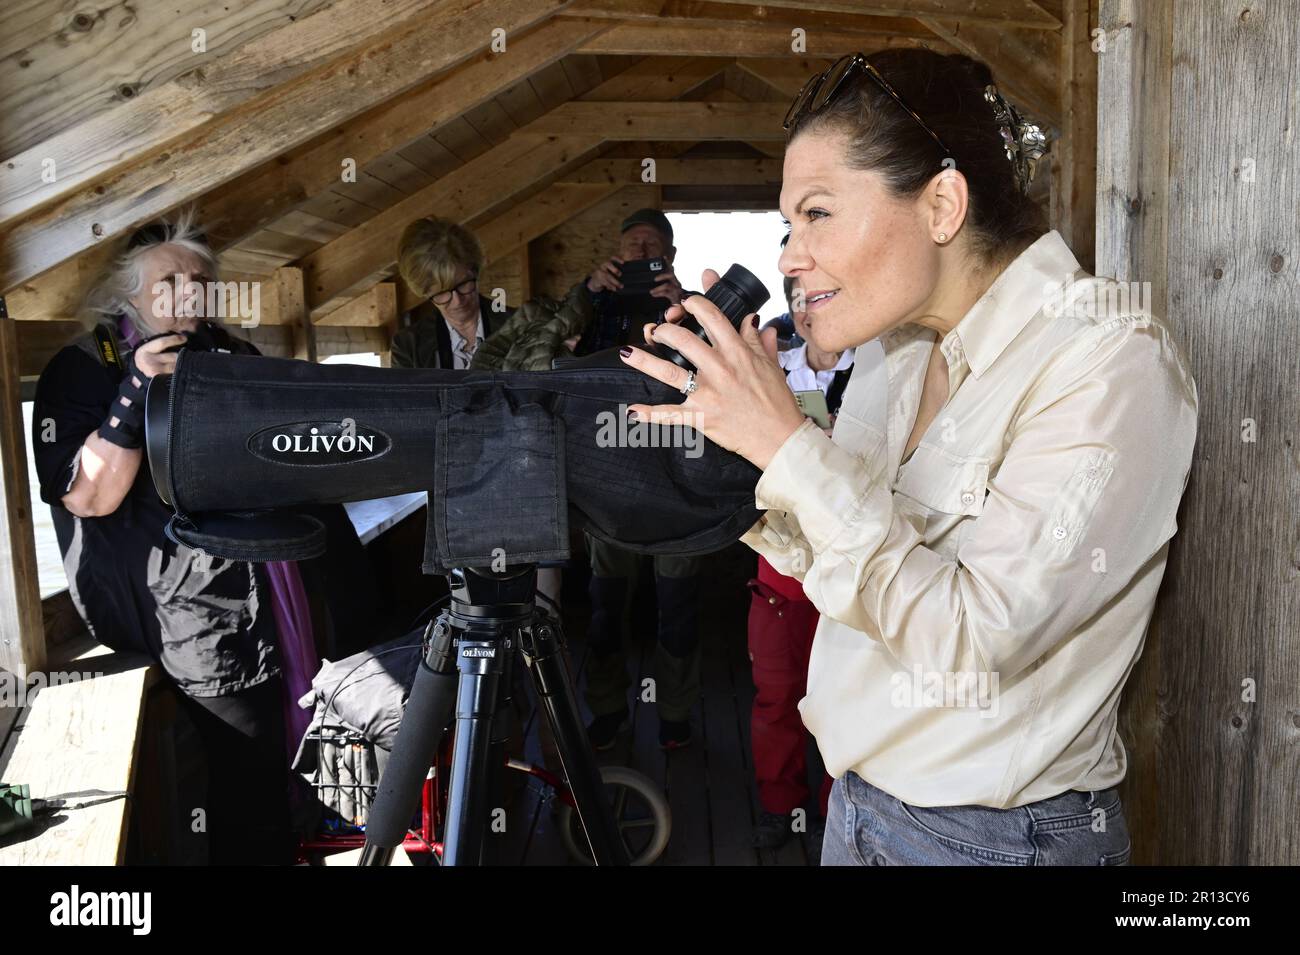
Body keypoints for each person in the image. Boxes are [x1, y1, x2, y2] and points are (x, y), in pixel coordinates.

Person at [619, 50, 1198, 865]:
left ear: (942, 205)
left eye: (817, 213)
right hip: (857, 803)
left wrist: (786, 444)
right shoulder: (896, 352)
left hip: (996, 840)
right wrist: (735, 444)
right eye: (789, 226)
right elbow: (841, 547)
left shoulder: (1109, 361)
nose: (788, 256)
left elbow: (975, 641)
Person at [32, 212, 294, 864]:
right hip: (176, 621)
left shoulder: (224, 353)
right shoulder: (84, 368)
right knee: (240, 801)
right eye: (169, 279)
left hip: (247, 603)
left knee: (261, 790)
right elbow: (90, 494)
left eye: (200, 280)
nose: (189, 292)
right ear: (128, 295)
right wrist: (140, 383)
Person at [568, 209, 703, 752]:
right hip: (610, 477)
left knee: (678, 609)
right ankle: (606, 709)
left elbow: (712, 370)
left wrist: (684, 305)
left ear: (668, 255)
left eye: (651, 243)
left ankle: (674, 712)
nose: (639, 248)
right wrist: (586, 292)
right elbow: (564, 359)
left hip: (677, 478)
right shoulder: (595, 303)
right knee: (604, 609)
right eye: (631, 243)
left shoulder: (690, 307)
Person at [747, 275, 856, 856]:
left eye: (822, 296)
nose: (810, 309)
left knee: (844, 699)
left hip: (853, 571)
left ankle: (837, 813)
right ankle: (778, 805)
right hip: (781, 571)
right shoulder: (773, 372)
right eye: (800, 300)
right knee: (776, 696)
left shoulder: (883, 373)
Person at [391, 217, 515, 369]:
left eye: (463, 284)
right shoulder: (408, 346)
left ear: (475, 271)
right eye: (441, 293)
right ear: (424, 292)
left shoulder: (520, 325)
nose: (458, 301)